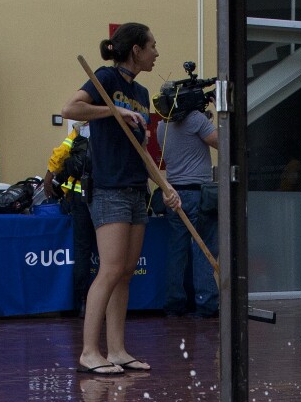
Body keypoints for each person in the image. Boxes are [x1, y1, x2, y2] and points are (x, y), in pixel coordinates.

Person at [61, 23, 181, 375]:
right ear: (136, 51)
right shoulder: (105, 79)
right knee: (110, 269)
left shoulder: (142, 93)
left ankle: (116, 350)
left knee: (126, 272)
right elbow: (71, 109)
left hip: (135, 189)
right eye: (153, 46)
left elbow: (142, 150)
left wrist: (165, 185)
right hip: (109, 188)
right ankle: (88, 351)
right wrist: (113, 111)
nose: (157, 52)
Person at [152, 80, 219, 317]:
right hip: (197, 194)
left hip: (173, 194)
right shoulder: (196, 121)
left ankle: (175, 304)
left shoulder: (163, 126)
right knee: (204, 247)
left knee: (177, 250)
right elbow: (223, 142)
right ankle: (207, 303)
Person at [45, 121, 96, 312]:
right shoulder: (110, 127)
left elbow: (60, 153)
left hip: (79, 197)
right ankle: (105, 304)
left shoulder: (80, 130)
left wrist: (49, 174)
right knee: (108, 255)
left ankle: (82, 302)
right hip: (105, 197)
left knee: (82, 249)